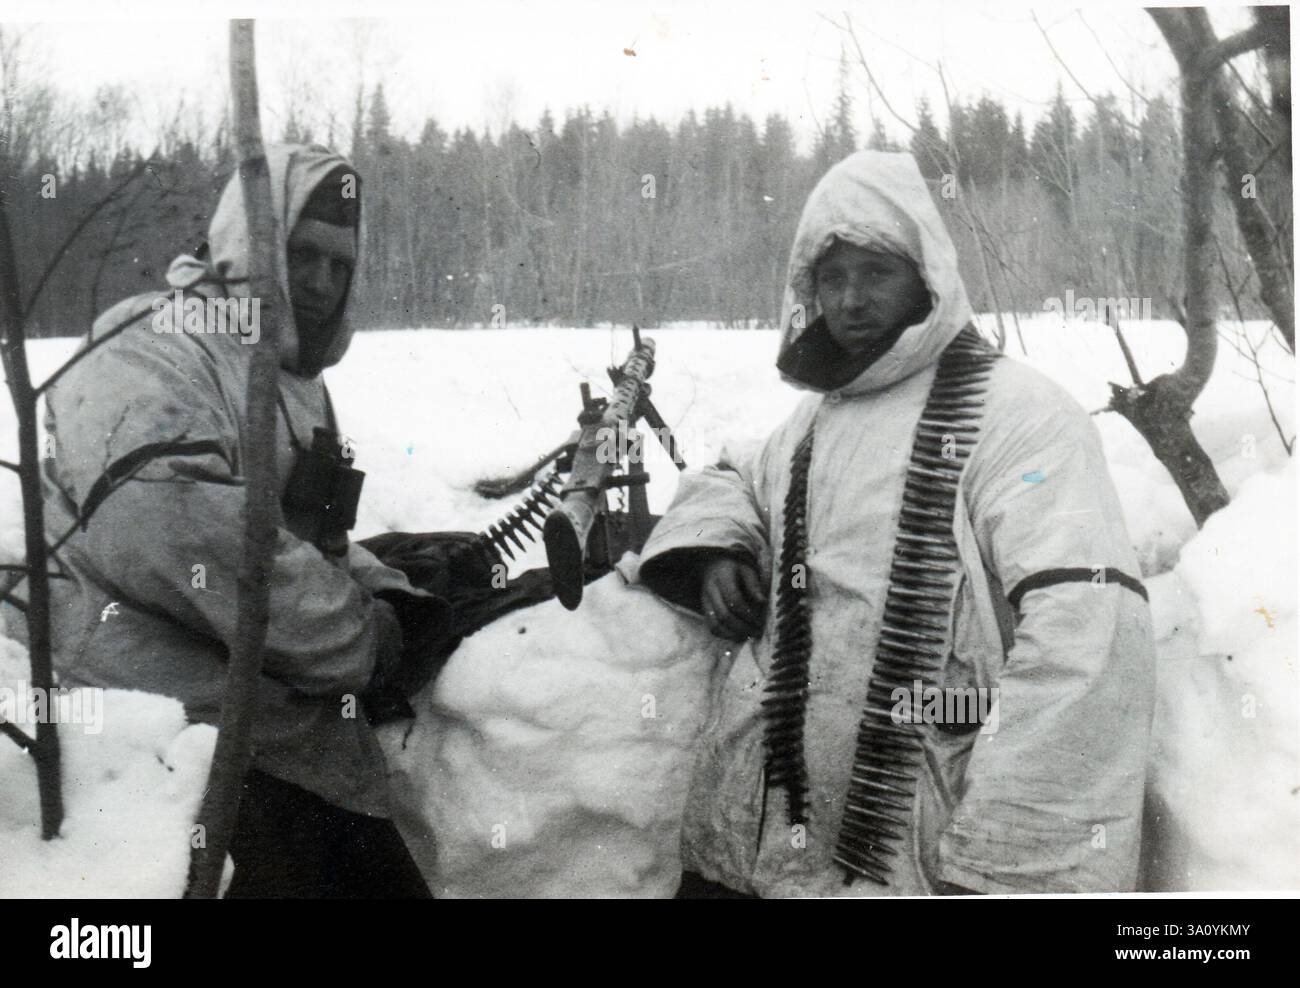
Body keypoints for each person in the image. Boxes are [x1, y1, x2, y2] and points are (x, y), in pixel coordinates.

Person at [638, 150, 1156, 897]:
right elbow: (733, 477)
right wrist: (717, 554)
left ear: (927, 277)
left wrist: (1009, 863)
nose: (850, 300)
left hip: (924, 845)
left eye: (877, 273)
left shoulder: (1019, 414)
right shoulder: (814, 418)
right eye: (832, 277)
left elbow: (1088, 632)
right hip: (764, 841)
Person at [42, 143, 456, 897]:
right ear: (247, 243)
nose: (324, 283)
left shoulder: (293, 380)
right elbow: (174, 530)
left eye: (340, 263)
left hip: (269, 713)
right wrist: (358, 638)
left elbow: (307, 541)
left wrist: (387, 590)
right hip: (157, 714)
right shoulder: (152, 344)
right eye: (302, 256)